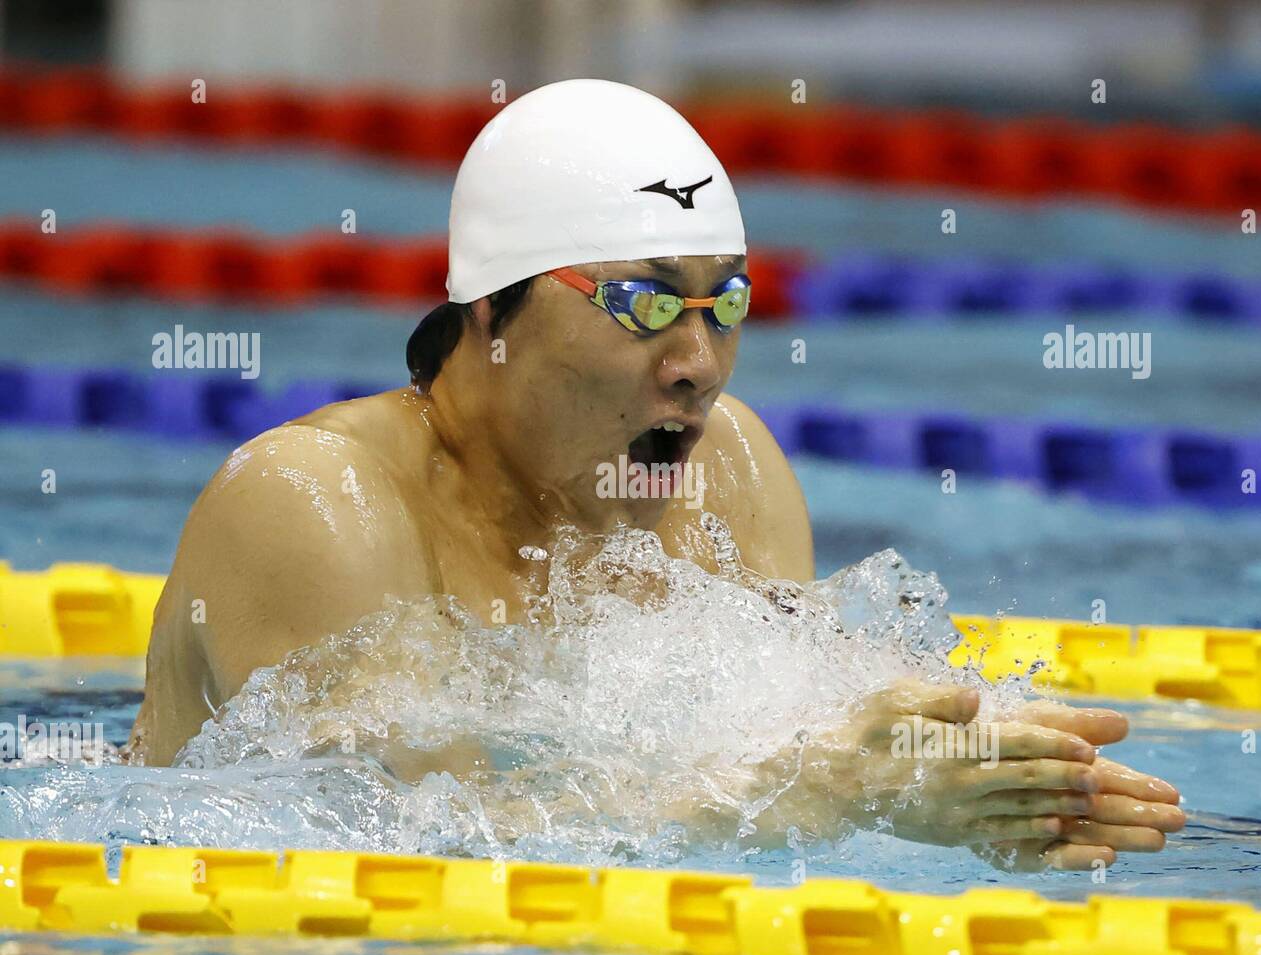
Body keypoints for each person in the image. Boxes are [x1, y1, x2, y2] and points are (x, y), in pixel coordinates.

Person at [129, 79, 1184, 868]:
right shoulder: (318, 506)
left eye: (724, 304)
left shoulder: (728, 471)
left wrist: (976, 785)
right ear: (489, 310)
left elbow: (812, 755)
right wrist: (814, 789)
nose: (699, 368)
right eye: (642, 304)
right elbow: (399, 849)